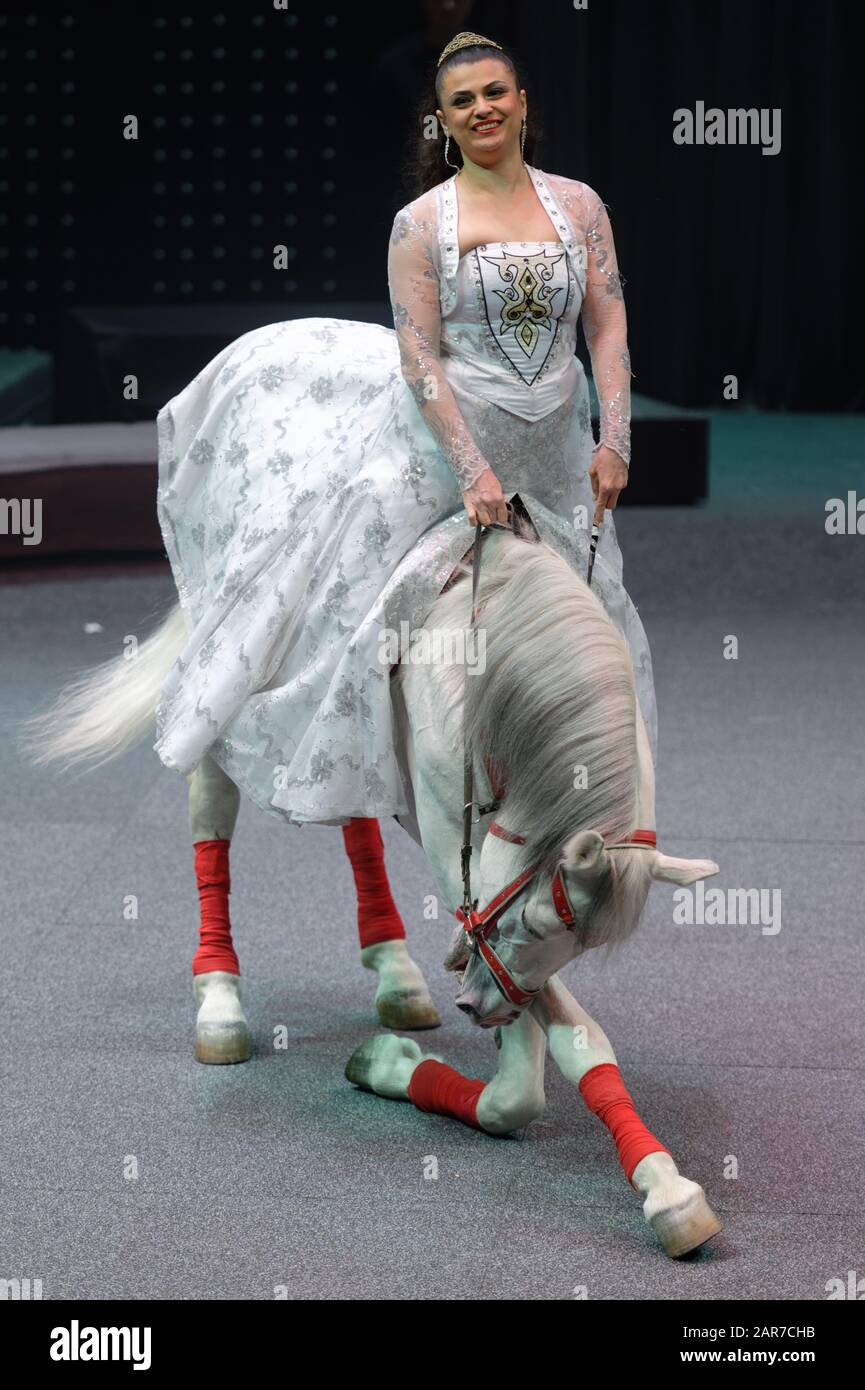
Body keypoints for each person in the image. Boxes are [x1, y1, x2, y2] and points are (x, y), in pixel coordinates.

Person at [154, 28, 657, 837]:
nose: (482, 108)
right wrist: (470, 470)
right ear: (444, 124)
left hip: (558, 454)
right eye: (462, 102)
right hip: (441, 456)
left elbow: (606, 325)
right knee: (363, 614)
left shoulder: (579, 205)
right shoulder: (420, 223)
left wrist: (616, 440)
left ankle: (589, 820)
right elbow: (419, 359)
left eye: (495, 92)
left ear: (522, 103)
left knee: (590, 629)